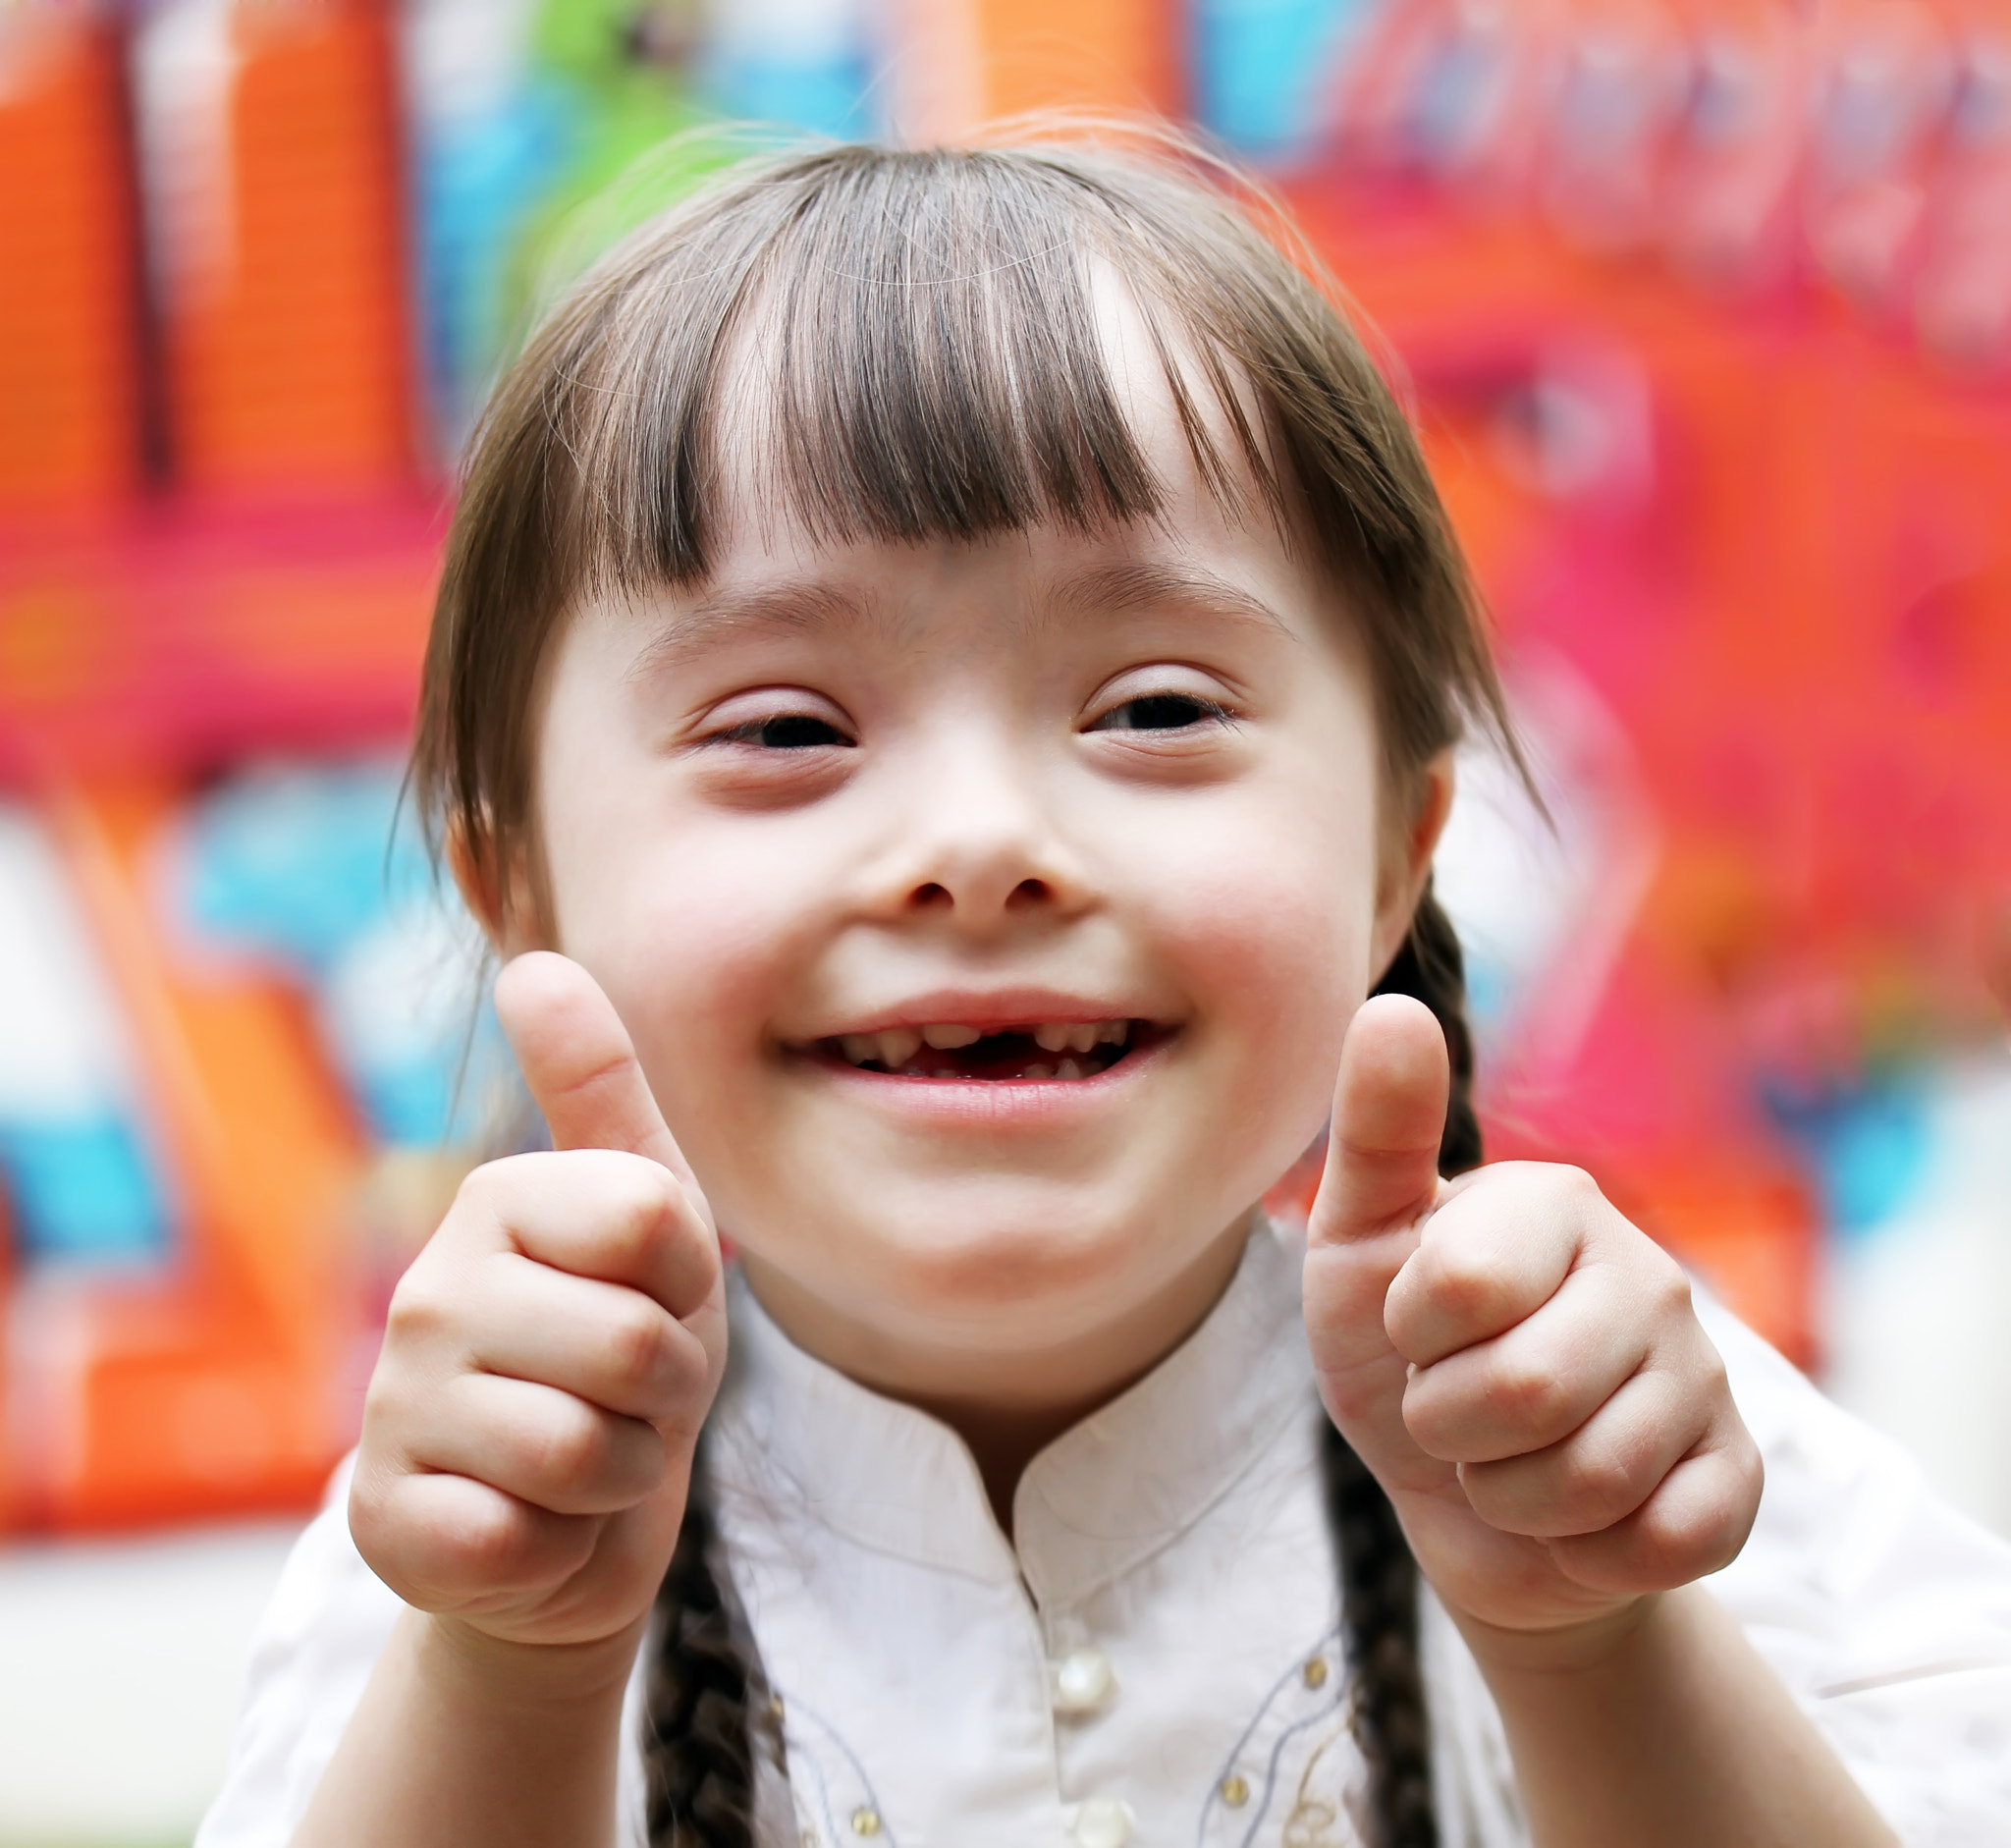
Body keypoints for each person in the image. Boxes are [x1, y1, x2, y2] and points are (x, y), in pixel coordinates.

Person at [198, 127, 2011, 1848]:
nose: (982, 841)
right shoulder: (453, 1545)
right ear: (520, 892)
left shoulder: (1640, 1441)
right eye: (785, 727)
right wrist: (511, 1669)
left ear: (1397, 853)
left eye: (1154, 706)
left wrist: (1599, 1640)